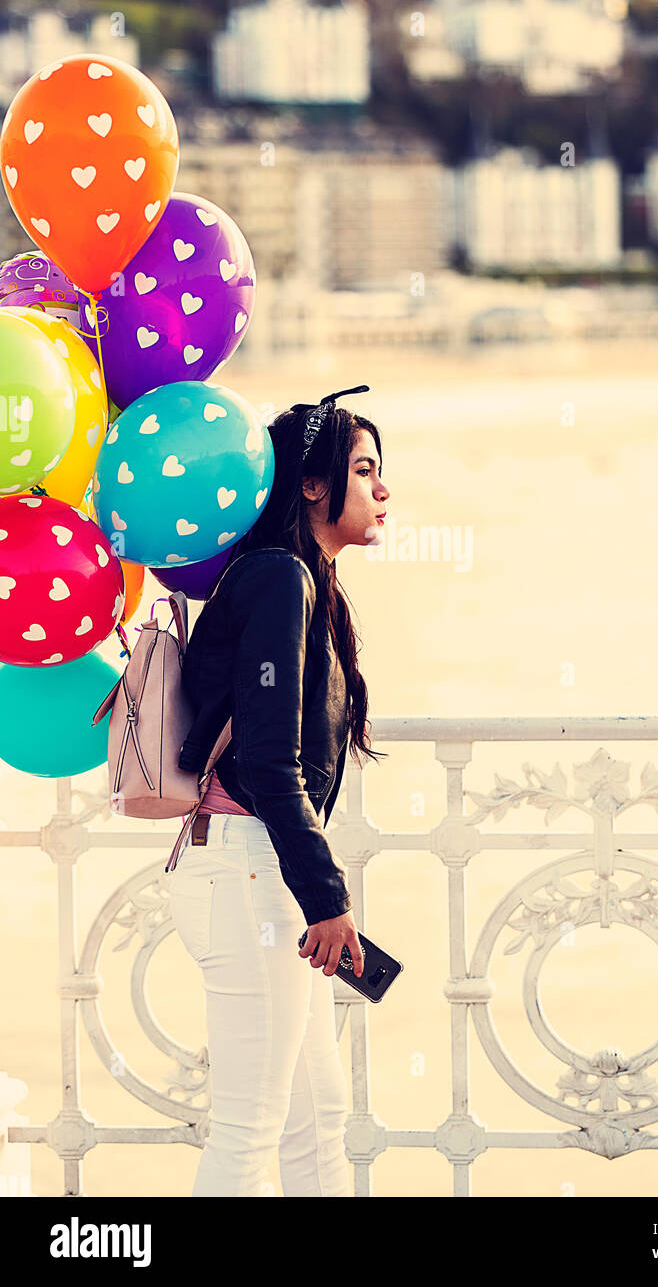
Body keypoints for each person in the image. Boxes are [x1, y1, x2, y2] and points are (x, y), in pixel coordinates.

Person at [167, 384, 390, 1197]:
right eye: (364, 470)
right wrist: (325, 895)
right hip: (246, 873)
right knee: (251, 1127)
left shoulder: (298, 583)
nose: (382, 490)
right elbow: (268, 761)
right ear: (310, 484)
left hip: (256, 872)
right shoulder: (276, 581)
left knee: (315, 1117)